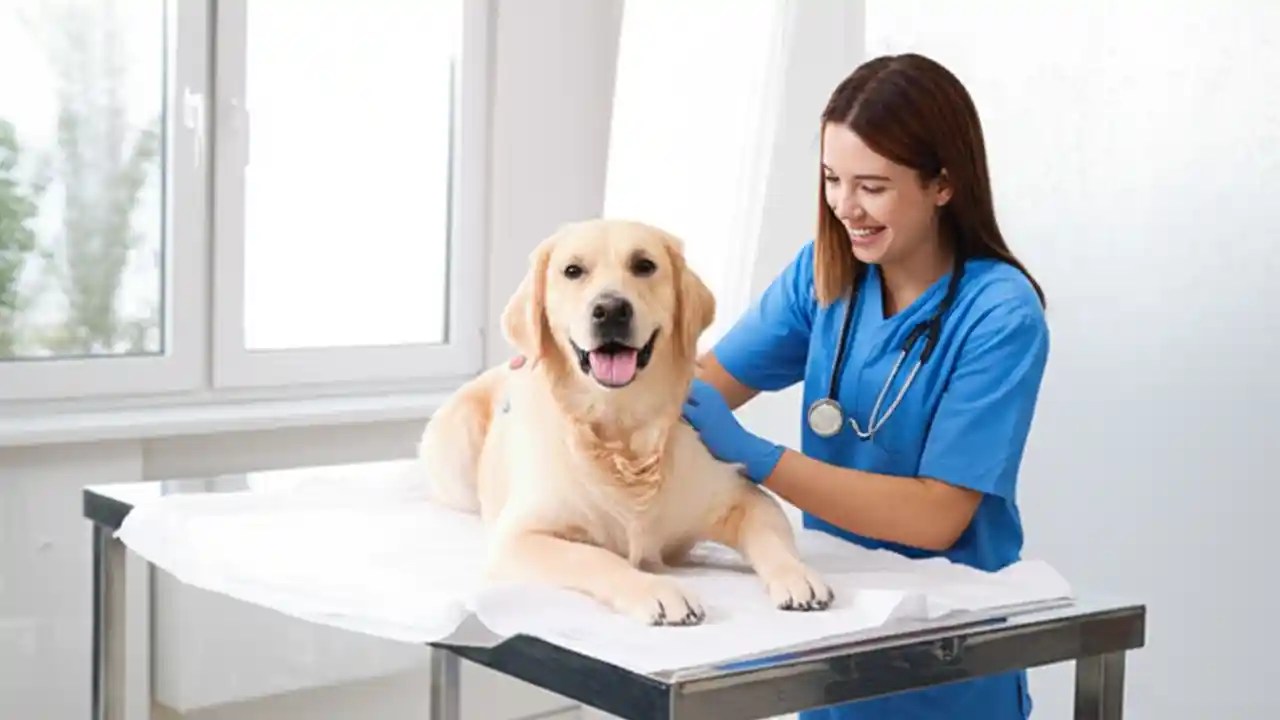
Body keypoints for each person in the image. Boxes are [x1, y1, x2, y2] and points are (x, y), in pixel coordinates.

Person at [679, 53, 1050, 719]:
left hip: (948, 653)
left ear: (942, 184)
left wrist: (760, 458)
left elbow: (938, 517)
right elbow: (700, 387)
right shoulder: (825, 273)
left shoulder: (1000, 315)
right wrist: (593, 370)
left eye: (872, 187)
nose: (845, 208)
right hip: (836, 636)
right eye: (831, 179)